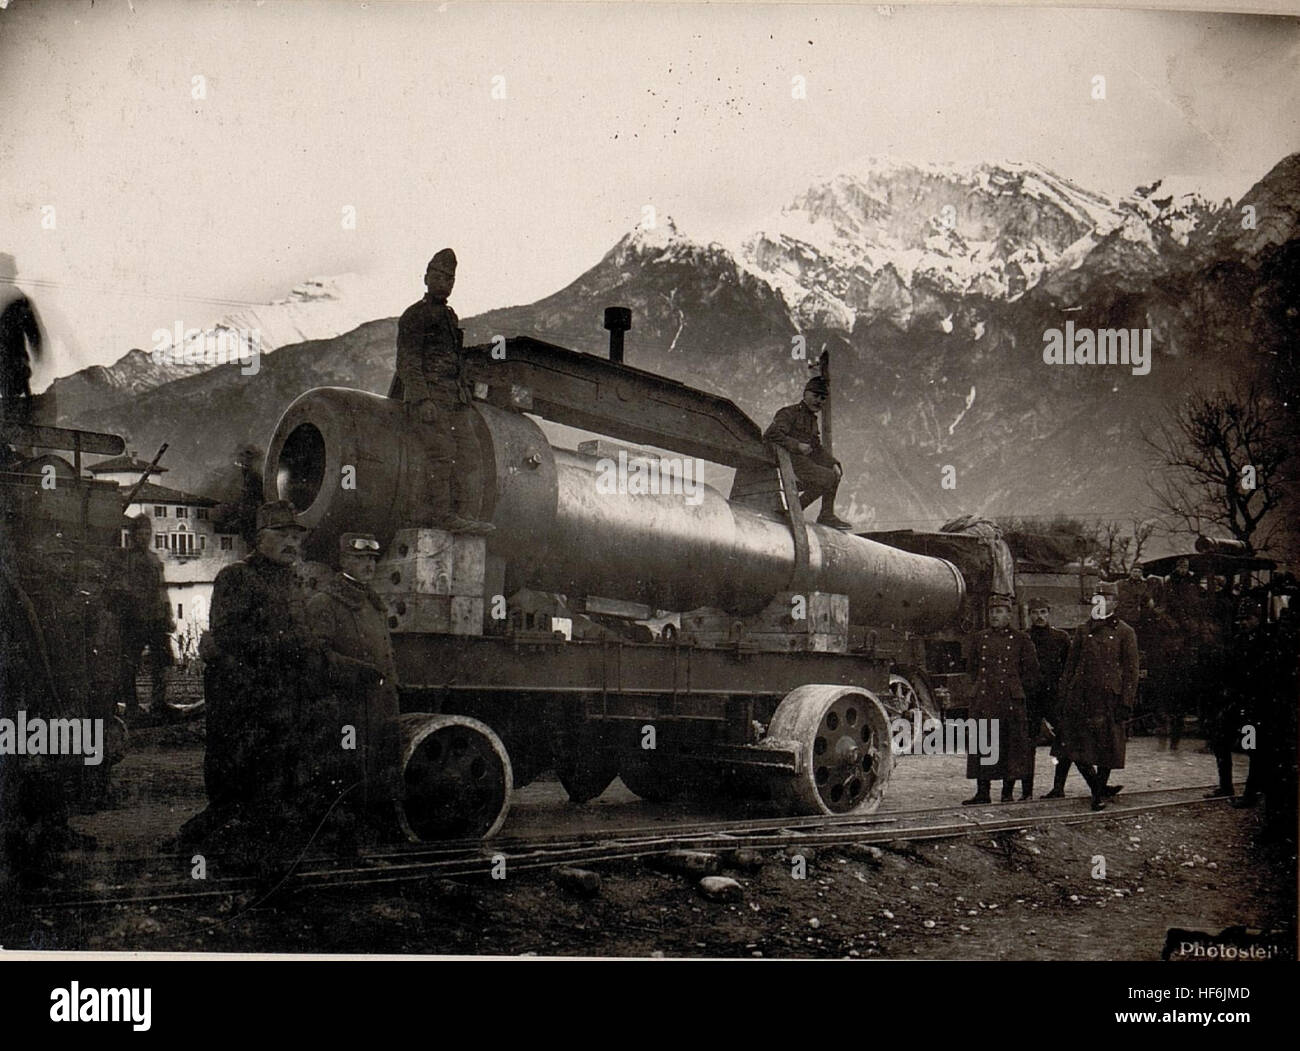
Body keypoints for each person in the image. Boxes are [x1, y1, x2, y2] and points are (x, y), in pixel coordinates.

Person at [180, 500, 319, 858]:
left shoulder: (292, 580)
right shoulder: (238, 577)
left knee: (275, 783)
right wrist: (290, 645)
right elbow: (228, 639)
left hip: (283, 697)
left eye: (295, 535)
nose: (292, 542)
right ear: (260, 538)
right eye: (282, 534)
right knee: (237, 783)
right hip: (246, 699)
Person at [304, 533, 404, 841]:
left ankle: (368, 837)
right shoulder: (325, 603)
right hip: (347, 707)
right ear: (343, 561)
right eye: (360, 559)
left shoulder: (372, 601)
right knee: (347, 772)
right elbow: (316, 657)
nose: (368, 565)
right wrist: (356, 671)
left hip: (378, 704)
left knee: (377, 769)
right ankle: (344, 840)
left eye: (372, 560)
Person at [389, 249, 493, 535]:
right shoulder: (415, 315)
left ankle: (463, 515)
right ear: (426, 278)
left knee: (470, 453)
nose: (444, 282)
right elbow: (407, 361)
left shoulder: (449, 316)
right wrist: (422, 399)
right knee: (441, 452)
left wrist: (464, 398)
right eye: (438, 276)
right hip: (431, 400)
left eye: (450, 278)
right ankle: (440, 515)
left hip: (453, 401)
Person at [1055, 581, 1140, 810]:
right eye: (1097, 598)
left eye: (1106, 598)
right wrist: (1063, 697)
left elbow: (1132, 672)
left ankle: (1098, 795)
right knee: (1074, 748)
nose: (1101, 602)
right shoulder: (1083, 630)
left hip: (1108, 700)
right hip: (1080, 699)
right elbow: (1070, 667)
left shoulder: (1125, 632)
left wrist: (1126, 702)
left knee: (1107, 750)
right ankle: (1098, 787)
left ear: (1115, 603)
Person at [963, 595, 1040, 804]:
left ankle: (1007, 793)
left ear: (1009, 614)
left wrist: (1015, 689)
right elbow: (972, 668)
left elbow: (1031, 673)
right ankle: (982, 792)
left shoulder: (1021, 639)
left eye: (999, 612)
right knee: (983, 744)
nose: (994, 616)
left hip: (1009, 701)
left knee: (1010, 746)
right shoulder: (980, 638)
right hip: (985, 698)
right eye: (992, 612)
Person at [762, 376, 852, 530]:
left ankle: (823, 514)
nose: (818, 401)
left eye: (823, 398)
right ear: (805, 394)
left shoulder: (811, 420)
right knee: (827, 477)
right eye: (815, 396)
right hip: (786, 461)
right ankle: (802, 511)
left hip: (801, 463)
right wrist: (796, 445)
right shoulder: (789, 413)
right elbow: (771, 434)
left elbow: (816, 448)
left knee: (834, 473)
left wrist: (833, 463)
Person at [113, 515, 175, 721]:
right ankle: (132, 707)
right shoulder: (125, 559)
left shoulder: (154, 559)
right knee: (130, 663)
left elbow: (162, 588)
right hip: (135, 618)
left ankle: (159, 703)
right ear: (133, 535)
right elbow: (122, 588)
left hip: (156, 618)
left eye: (148, 533)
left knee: (162, 660)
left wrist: (168, 613)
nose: (144, 537)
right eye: (140, 533)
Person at [1026, 600, 1070, 799]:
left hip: (1054, 698)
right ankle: (1026, 792)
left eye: (1043, 612)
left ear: (1049, 613)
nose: (1039, 617)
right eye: (1035, 613)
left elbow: (1070, 668)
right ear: (1029, 615)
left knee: (1065, 738)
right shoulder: (1023, 638)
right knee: (1028, 745)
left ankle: (1058, 788)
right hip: (1031, 699)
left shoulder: (1061, 638)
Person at [0, 252, 43, 426]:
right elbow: (33, 332)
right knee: (22, 405)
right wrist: (37, 352)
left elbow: (33, 332)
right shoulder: (18, 298)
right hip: (15, 363)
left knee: (15, 402)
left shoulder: (18, 298)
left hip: (13, 363)